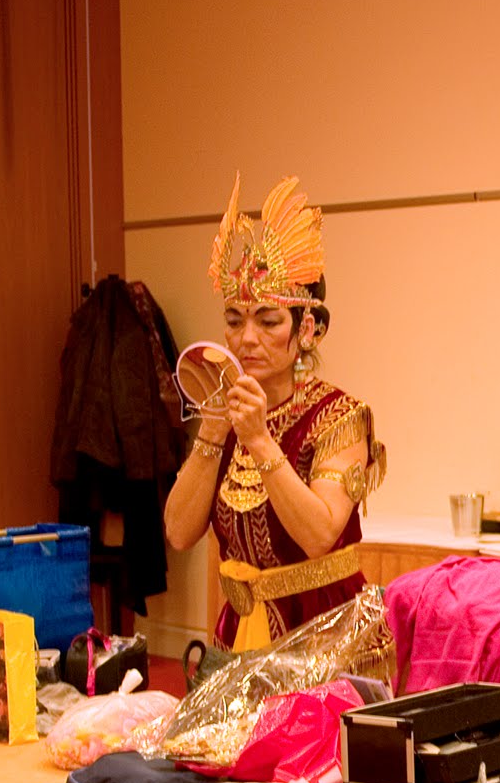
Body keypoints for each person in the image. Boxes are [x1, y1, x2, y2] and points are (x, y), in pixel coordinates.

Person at [164, 175, 384, 651]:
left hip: (323, 634)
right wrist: (212, 431)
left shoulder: (340, 417)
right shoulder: (227, 413)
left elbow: (319, 534)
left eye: (267, 321)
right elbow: (179, 533)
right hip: (240, 631)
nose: (246, 338)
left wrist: (260, 440)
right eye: (234, 320)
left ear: (307, 330)